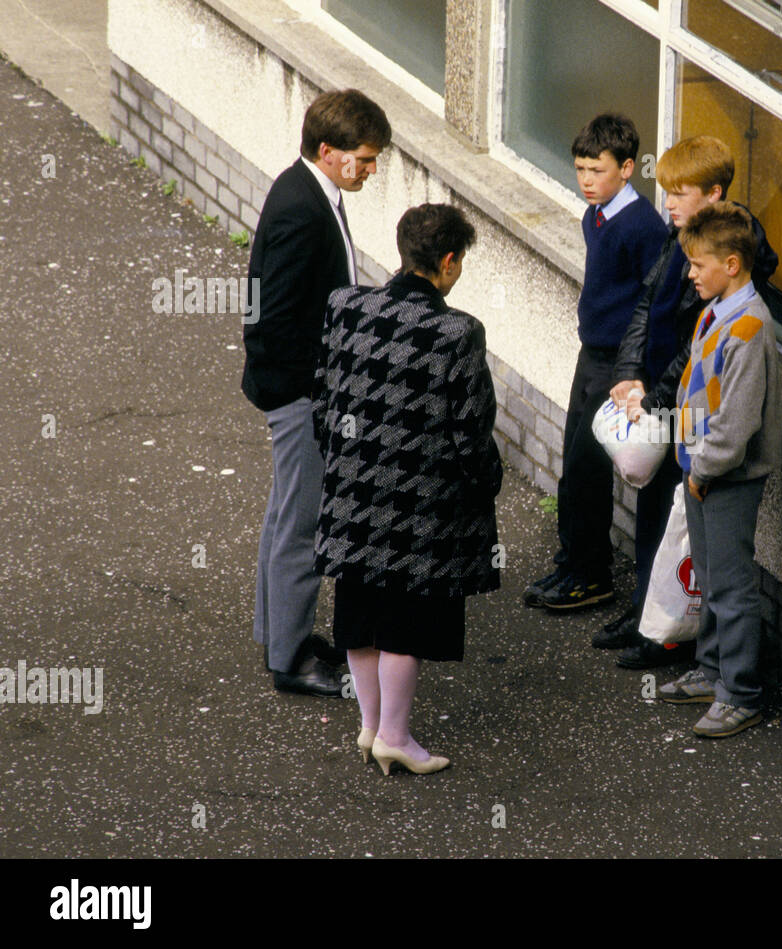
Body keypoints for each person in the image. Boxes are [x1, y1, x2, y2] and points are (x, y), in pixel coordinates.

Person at [312, 203, 501, 775]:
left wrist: (345, 463)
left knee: (358, 608)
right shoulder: (457, 332)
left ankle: (370, 727)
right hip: (422, 506)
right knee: (404, 620)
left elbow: (322, 400)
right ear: (449, 261)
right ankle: (394, 736)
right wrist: (486, 482)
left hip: (352, 492)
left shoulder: (346, 305)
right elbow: (470, 432)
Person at [602, 136, 780, 670]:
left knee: (710, 565)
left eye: (679, 193)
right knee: (661, 525)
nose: (669, 203)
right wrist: (631, 375)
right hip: (681, 425)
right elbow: (647, 304)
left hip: (703, 444)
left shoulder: (732, 282)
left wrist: (659, 403)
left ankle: (692, 654)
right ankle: (656, 622)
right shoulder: (683, 242)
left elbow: (700, 358)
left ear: (714, 193)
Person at [242, 89, 391, 697]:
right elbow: (271, 319)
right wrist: (317, 389)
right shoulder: (304, 210)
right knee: (303, 524)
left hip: (296, 388)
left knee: (286, 512)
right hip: (301, 394)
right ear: (329, 151)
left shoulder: (307, 190)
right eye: (365, 159)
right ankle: (291, 658)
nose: (371, 170)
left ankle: (279, 634)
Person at [522, 113, 670, 613]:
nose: (586, 180)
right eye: (580, 169)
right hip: (591, 355)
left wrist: (634, 374)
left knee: (589, 470)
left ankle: (591, 577)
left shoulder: (642, 227)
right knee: (574, 465)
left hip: (618, 367)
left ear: (627, 168)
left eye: (597, 170)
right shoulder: (596, 215)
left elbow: (652, 305)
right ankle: (573, 562)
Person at [654, 203, 781, 738]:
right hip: (702, 469)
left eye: (697, 265)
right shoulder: (716, 310)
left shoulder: (748, 327)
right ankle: (712, 672)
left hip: (725, 476)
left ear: (731, 264)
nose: (690, 274)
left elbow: (737, 422)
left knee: (730, 587)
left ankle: (741, 694)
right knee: (709, 579)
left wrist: (702, 469)